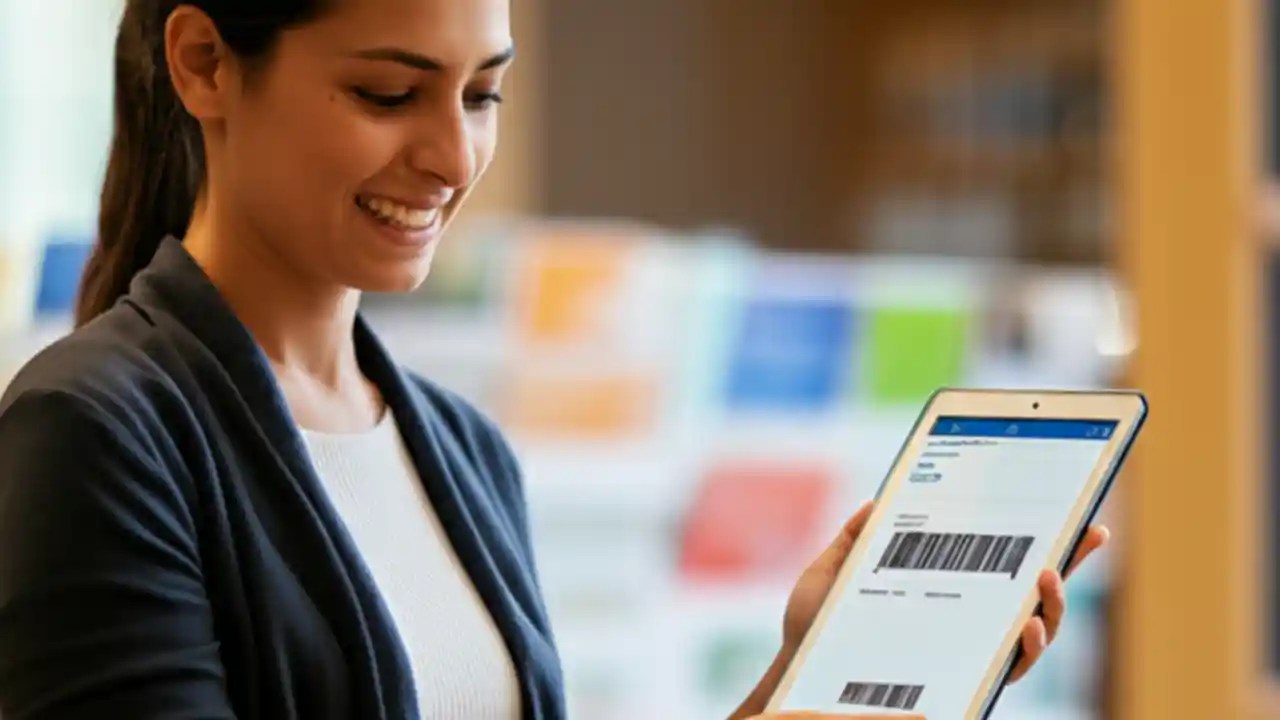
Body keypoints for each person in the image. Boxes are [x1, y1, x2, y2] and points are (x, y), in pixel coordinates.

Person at [0, 1, 1107, 719]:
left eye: (481, 95)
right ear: (202, 63)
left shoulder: (465, 453)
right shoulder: (93, 431)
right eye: (387, 94)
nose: (451, 155)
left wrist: (795, 681)